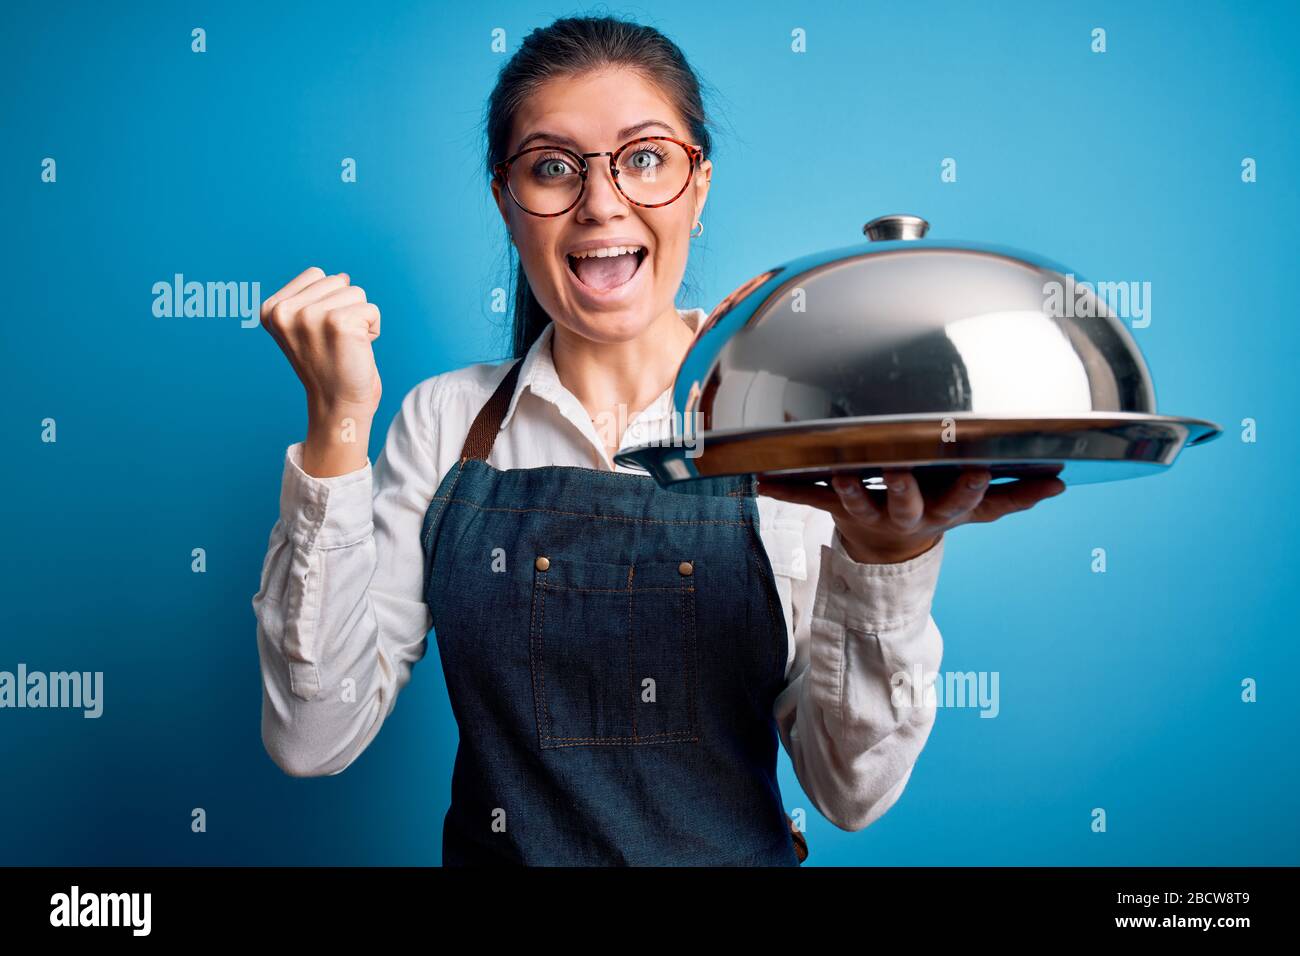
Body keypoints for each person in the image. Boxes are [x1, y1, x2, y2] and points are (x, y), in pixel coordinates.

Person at [251, 14, 1065, 866]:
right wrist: (338, 422)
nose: (602, 203)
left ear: (699, 183)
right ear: (506, 201)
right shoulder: (444, 422)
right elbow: (314, 737)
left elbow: (850, 793)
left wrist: (884, 562)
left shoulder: (785, 421)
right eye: (553, 168)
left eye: (644, 159)